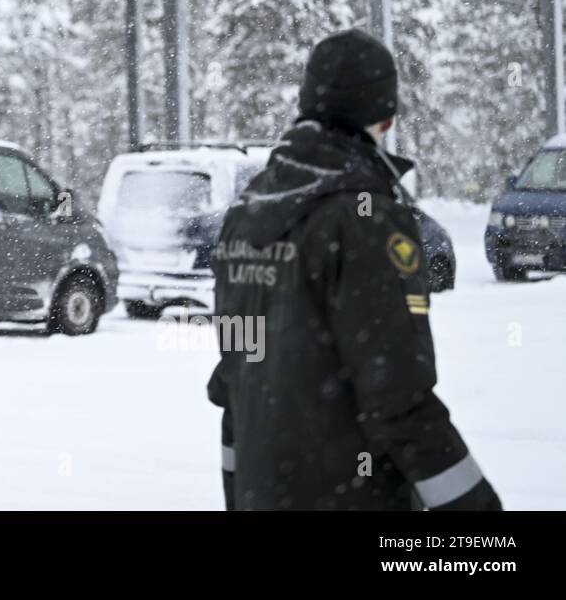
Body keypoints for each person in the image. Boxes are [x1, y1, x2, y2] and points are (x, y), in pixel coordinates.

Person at [207, 28, 501, 510]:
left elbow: (235, 385)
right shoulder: (365, 217)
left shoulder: (246, 216)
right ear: (385, 116)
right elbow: (399, 396)